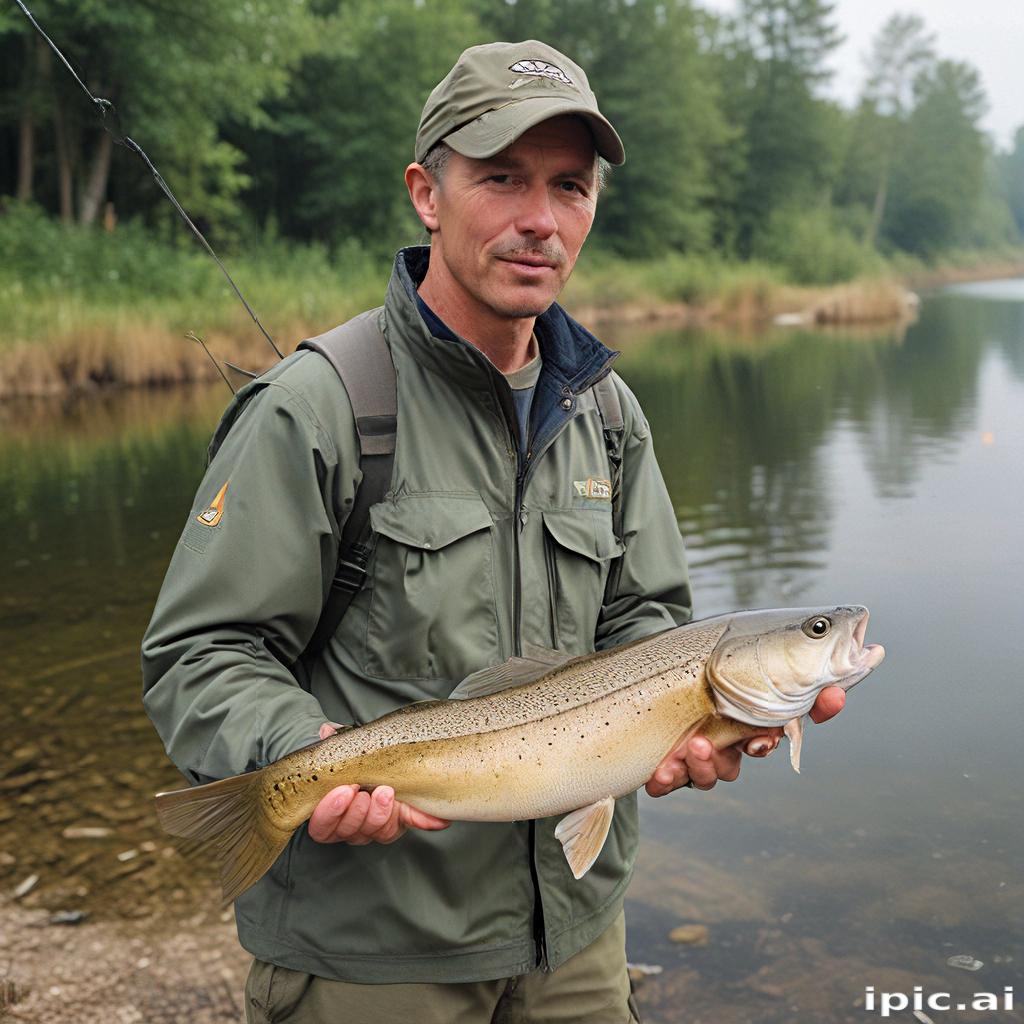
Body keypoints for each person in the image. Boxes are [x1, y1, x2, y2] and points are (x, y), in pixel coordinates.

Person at [142, 39, 844, 1024]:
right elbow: (200, 652)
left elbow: (649, 629)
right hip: (371, 953)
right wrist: (299, 745)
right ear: (427, 193)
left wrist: (700, 730)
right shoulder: (318, 405)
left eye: (569, 185)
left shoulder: (609, 413)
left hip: (578, 940)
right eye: (503, 178)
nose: (540, 221)